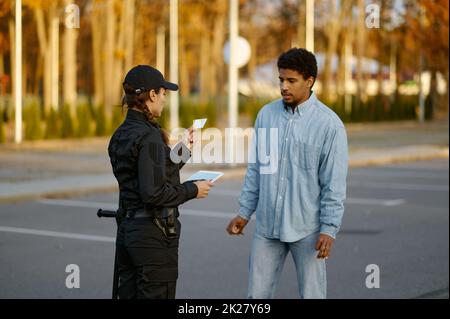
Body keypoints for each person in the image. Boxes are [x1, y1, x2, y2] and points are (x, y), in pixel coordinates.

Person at [226, 48, 348, 299]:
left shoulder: (329, 125)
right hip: (267, 227)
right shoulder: (266, 116)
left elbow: (333, 183)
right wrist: (244, 212)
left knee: (312, 295)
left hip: (308, 229)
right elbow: (257, 169)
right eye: (281, 79)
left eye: (291, 81)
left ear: (309, 81)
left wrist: (329, 228)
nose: (284, 86)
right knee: (256, 296)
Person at [108, 65, 214, 299]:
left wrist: (184, 148)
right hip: (152, 238)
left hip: (128, 234)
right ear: (152, 95)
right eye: (164, 93)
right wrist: (192, 189)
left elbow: (156, 171)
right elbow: (153, 193)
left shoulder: (121, 134)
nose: (165, 100)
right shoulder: (149, 136)